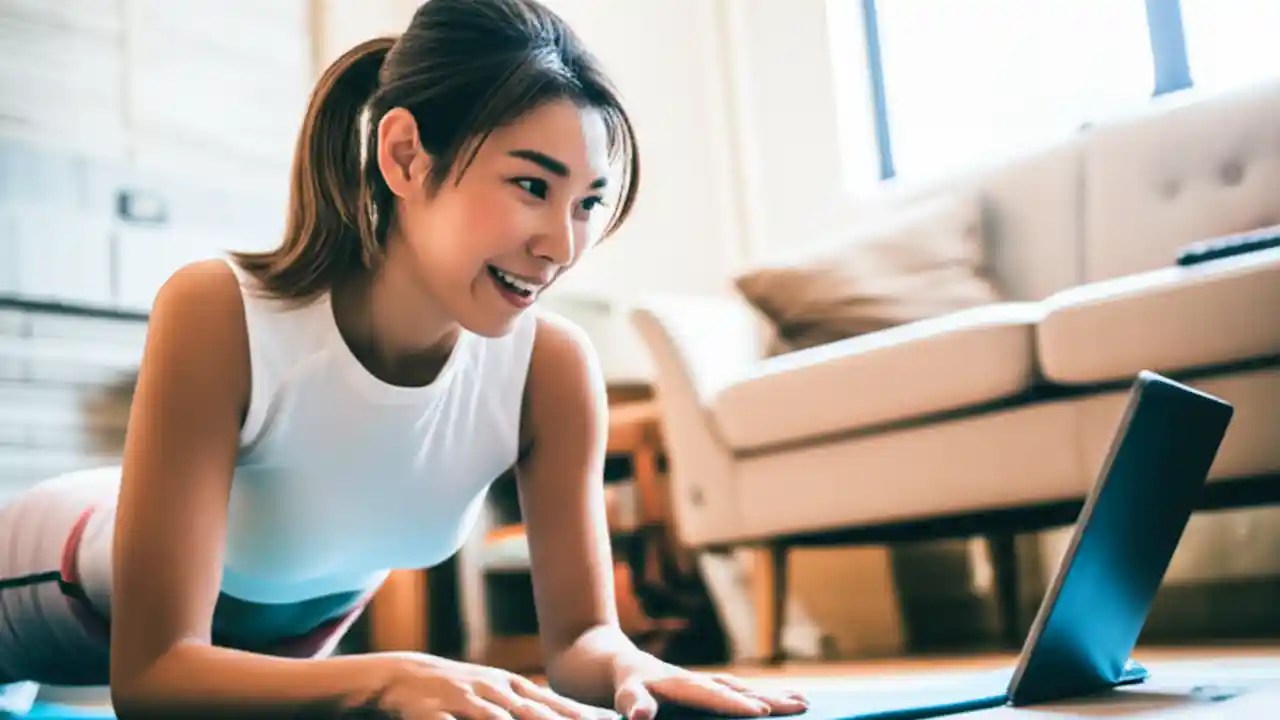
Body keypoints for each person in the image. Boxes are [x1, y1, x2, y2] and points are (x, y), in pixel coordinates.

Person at [0, 1, 809, 718]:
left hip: (266, 660)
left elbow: (584, 639)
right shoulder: (219, 311)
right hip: (49, 586)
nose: (562, 245)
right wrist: (390, 678)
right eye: (532, 185)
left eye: (588, 202)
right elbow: (152, 676)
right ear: (405, 158)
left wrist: (636, 669)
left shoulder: (551, 369)